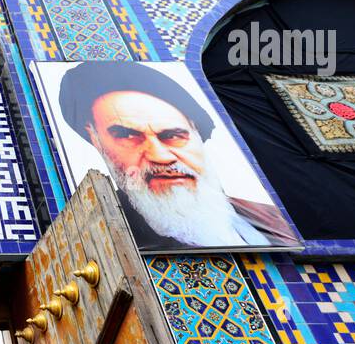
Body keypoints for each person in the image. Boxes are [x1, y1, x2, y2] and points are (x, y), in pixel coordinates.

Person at [57, 60, 296, 250]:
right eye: (129, 136)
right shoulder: (99, 238)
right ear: (95, 140)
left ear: (196, 134)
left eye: (172, 135)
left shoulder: (272, 221)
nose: (160, 156)